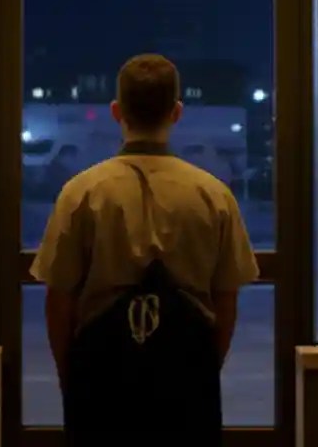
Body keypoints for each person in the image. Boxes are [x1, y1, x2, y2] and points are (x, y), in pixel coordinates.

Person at [31, 54, 259, 445]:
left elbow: (59, 299)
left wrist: (72, 377)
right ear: (177, 112)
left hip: (102, 376)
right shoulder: (213, 195)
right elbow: (226, 299)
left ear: (116, 111)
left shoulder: (81, 192)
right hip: (186, 376)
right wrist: (206, 369)